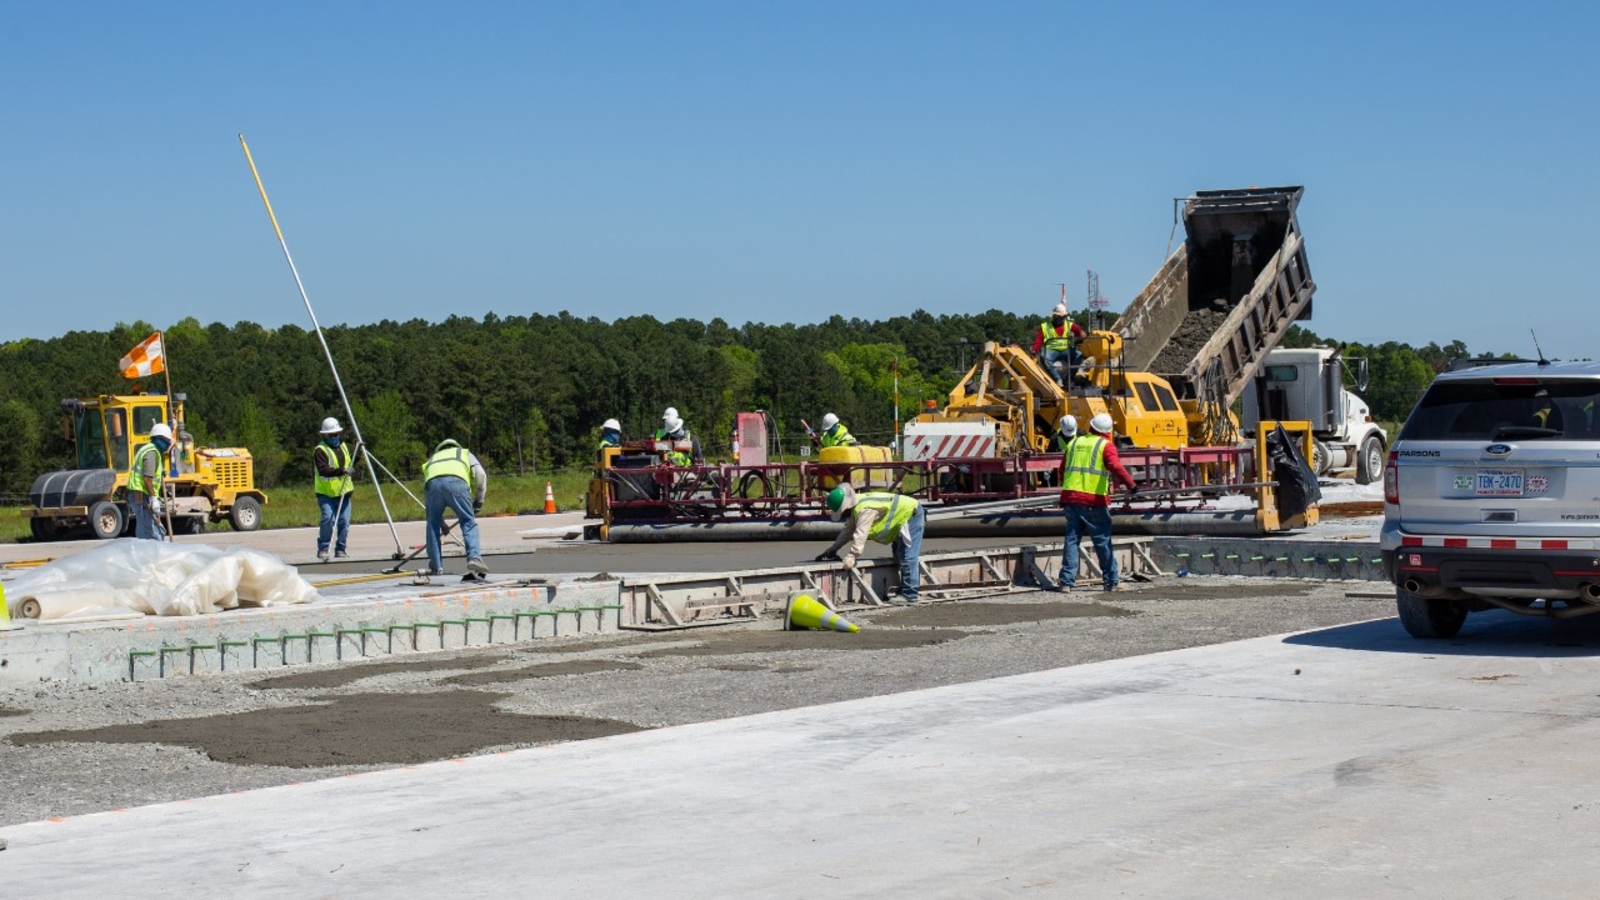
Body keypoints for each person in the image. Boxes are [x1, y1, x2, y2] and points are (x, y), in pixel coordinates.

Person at [1057, 413, 1139, 592]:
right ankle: (1111, 581)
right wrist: (1131, 485)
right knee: (1102, 540)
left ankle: (1066, 583)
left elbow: (1062, 470)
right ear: (1107, 431)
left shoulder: (1074, 443)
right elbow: (1115, 466)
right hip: (1093, 500)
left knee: (1072, 540)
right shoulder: (1105, 445)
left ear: (1091, 426)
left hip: (1071, 498)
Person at [815, 483, 926, 604]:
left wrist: (852, 556)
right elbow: (847, 531)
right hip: (901, 519)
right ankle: (905, 588)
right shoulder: (857, 506)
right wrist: (833, 549)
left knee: (907, 556)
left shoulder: (865, 509)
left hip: (910, 514)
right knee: (899, 554)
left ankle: (910, 594)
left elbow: (860, 534)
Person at [422, 438, 488, 579]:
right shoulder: (463, 453)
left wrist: (441, 524)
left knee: (432, 525)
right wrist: (479, 501)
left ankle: (436, 566)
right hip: (457, 483)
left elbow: (429, 503)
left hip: (432, 485)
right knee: (468, 522)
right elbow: (481, 474)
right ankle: (474, 558)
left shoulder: (433, 459)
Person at [313, 416, 355, 561]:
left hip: (344, 492)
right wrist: (342, 471)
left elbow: (351, 461)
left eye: (337, 434)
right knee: (328, 519)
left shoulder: (343, 446)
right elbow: (324, 470)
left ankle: (341, 549)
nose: (335, 437)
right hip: (326, 493)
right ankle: (324, 548)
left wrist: (359, 451)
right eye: (331, 435)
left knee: (344, 521)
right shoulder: (320, 451)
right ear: (325, 435)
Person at [127, 423, 172, 541]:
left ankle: (157, 552)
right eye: (167, 440)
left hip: (141, 494)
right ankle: (150, 555)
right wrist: (153, 499)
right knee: (148, 531)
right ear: (160, 439)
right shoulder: (152, 453)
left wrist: (160, 471)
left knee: (155, 529)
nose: (168, 444)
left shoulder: (149, 449)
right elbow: (147, 478)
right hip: (142, 496)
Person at [1031, 303, 1088, 387]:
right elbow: (1038, 340)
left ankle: (1069, 378)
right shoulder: (1045, 326)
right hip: (1051, 350)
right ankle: (1058, 379)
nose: (1061, 319)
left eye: (1062, 317)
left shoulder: (1069, 324)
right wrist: (1034, 350)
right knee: (1044, 356)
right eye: (1058, 317)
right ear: (1055, 316)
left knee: (1078, 355)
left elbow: (1082, 333)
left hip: (1065, 350)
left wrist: (1080, 338)